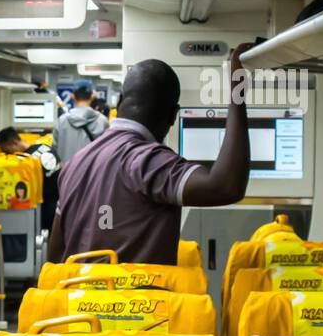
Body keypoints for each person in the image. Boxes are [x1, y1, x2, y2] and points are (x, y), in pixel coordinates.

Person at [48, 48, 254, 266]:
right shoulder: (149, 162)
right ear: (173, 116)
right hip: (138, 299)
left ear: (119, 102)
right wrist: (237, 92)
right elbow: (226, 187)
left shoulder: (74, 164)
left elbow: (55, 256)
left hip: (77, 297)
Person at [51, 80, 109, 165]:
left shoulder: (61, 121)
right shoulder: (103, 121)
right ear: (92, 96)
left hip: (66, 175)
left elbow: (54, 151)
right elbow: (107, 152)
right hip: (93, 176)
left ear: (72, 96)